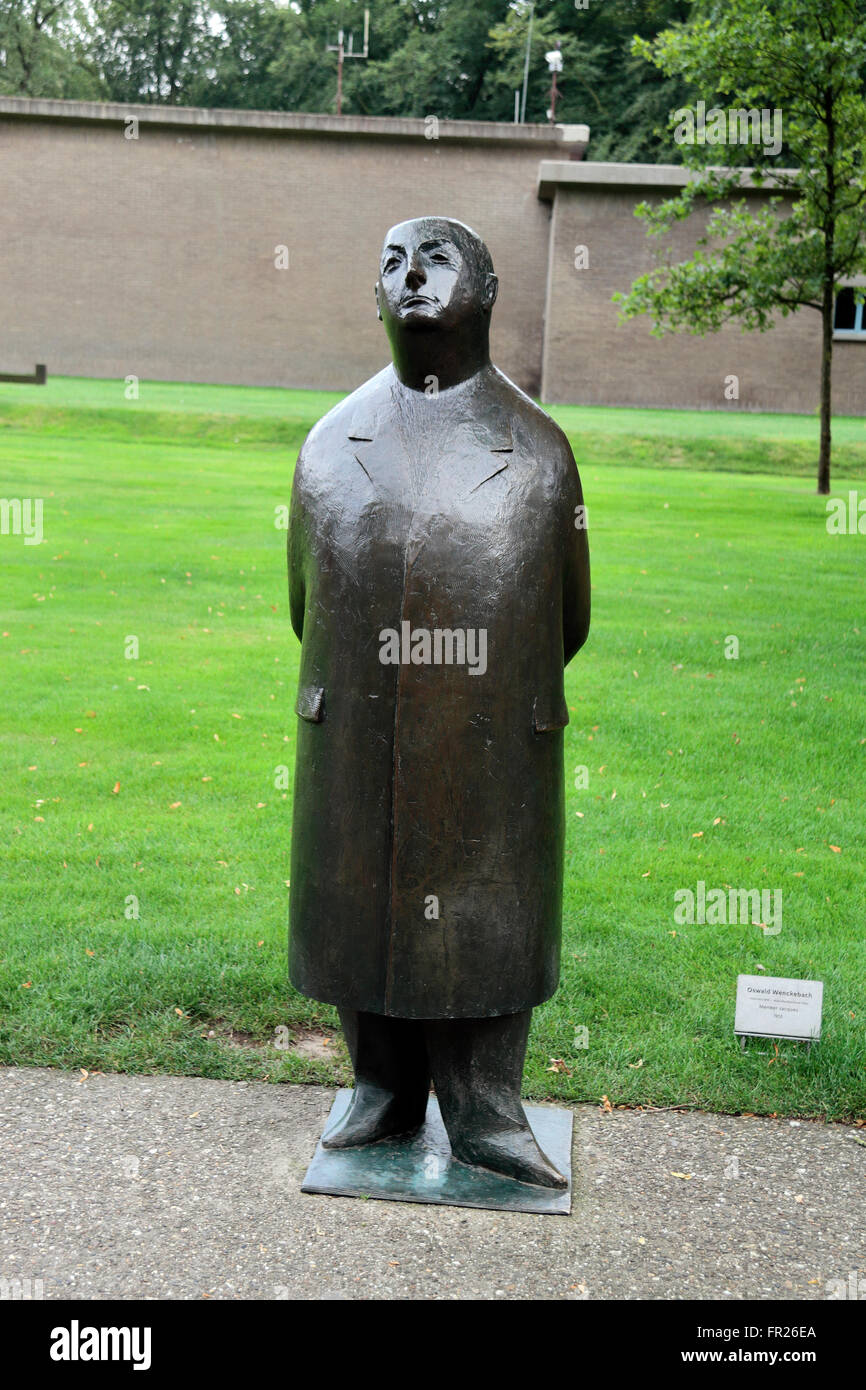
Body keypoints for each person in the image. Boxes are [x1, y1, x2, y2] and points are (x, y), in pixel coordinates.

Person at [288, 216, 590, 1188]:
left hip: (489, 732)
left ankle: (483, 1105)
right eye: (389, 262)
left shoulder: (537, 451)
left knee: (485, 907)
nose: (409, 275)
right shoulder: (330, 442)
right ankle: (379, 1085)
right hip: (357, 725)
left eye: (436, 258)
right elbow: (303, 601)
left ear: (489, 289)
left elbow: (566, 617)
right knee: (356, 896)